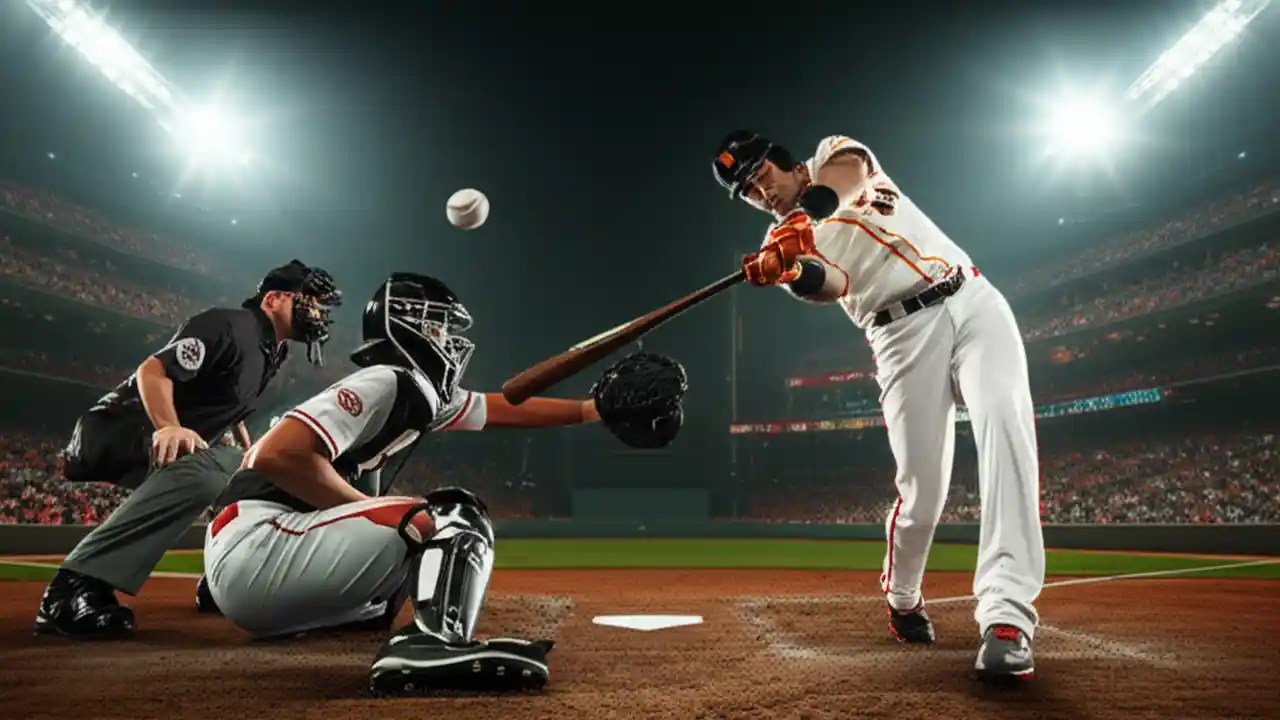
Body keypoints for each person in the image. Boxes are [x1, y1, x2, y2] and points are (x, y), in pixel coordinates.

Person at [712, 130, 1044, 681]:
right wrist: (790, 270)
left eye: (760, 172)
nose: (759, 189)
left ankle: (1007, 618)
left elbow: (849, 173)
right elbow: (833, 283)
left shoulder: (829, 156)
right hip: (900, 335)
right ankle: (904, 596)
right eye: (746, 189)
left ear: (781, 157)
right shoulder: (785, 240)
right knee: (923, 487)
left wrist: (806, 220)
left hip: (971, 297)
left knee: (1005, 428)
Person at [201, 272, 614, 695]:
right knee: (448, 512)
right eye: (441, 325)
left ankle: (369, 612)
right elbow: (276, 455)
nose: (451, 338)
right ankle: (433, 646)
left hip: (258, 560)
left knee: (403, 539)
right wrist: (376, 511)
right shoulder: (386, 379)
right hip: (259, 548)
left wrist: (590, 410)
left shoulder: (416, 392)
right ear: (406, 323)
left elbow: (497, 409)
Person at [35, 259, 341, 640]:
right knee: (211, 471)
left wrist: (253, 460)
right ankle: (73, 587)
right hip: (121, 431)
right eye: (308, 300)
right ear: (274, 299)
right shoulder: (231, 325)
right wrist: (168, 426)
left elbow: (231, 411)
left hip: (165, 439)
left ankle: (226, 579)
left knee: (263, 477)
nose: (316, 311)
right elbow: (153, 370)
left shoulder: (271, 351)